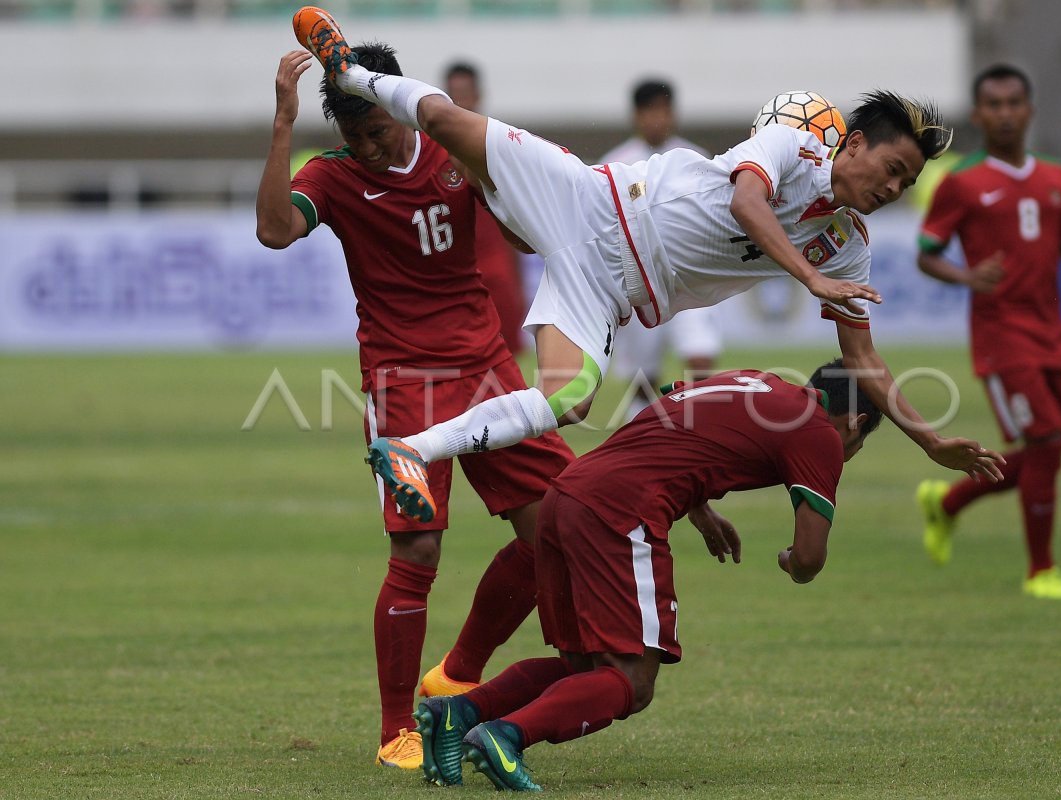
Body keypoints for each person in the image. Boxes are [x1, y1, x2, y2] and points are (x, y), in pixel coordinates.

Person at [290, 6, 1003, 529]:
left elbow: (863, 359)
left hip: (606, 288)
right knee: (447, 121)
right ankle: (347, 66)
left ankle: (411, 449)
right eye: (892, 167)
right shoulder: (794, 144)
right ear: (851, 147)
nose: (893, 188)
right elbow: (748, 202)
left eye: (906, 183)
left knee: (568, 400)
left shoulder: (848, 248)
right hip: (590, 202)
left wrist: (929, 437)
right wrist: (810, 280)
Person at [255, 42, 574, 769]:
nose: (368, 147)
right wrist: (282, 124)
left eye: (378, 131)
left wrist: (491, 180)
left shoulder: (453, 146)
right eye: (354, 137)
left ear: (400, 107)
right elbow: (275, 231)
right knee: (419, 547)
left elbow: (527, 237)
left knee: (554, 528)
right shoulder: (331, 178)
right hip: (403, 383)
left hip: (488, 369)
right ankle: (395, 728)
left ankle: (459, 672)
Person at [414, 358, 883, 790]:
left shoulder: (758, 382)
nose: (851, 453)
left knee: (585, 669)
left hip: (568, 495)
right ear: (857, 422)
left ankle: (460, 711)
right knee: (632, 681)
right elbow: (809, 558)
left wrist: (699, 509)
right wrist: (790, 562)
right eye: (859, 446)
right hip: (620, 512)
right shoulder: (819, 431)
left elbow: (672, 411)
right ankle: (505, 736)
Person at [914, 64, 1061, 600]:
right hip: (1001, 336)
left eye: (1013, 103)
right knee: (1044, 440)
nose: (1003, 113)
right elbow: (927, 255)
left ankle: (946, 503)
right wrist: (966, 275)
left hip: (1052, 334)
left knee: (1049, 450)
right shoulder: (962, 182)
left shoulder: (1057, 178)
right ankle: (1041, 570)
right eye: (993, 104)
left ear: (1029, 110)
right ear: (978, 114)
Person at [600, 78, 722, 421]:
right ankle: (645, 431)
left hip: (692, 276)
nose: (658, 119)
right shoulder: (617, 164)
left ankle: (699, 426)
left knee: (700, 357)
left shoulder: (696, 159)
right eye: (650, 111)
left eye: (664, 111)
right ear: (636, 116)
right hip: (641, 282)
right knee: (643, 376)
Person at [443, 60, 530, 355]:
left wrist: (518, 283)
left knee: (505, 362)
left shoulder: (499, 146)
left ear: (479, 95)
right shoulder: (432, 151)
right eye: (453, 93)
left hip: (497, 270)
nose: (460, 100)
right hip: (453, 276)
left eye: (465, 92)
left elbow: (516, 220)